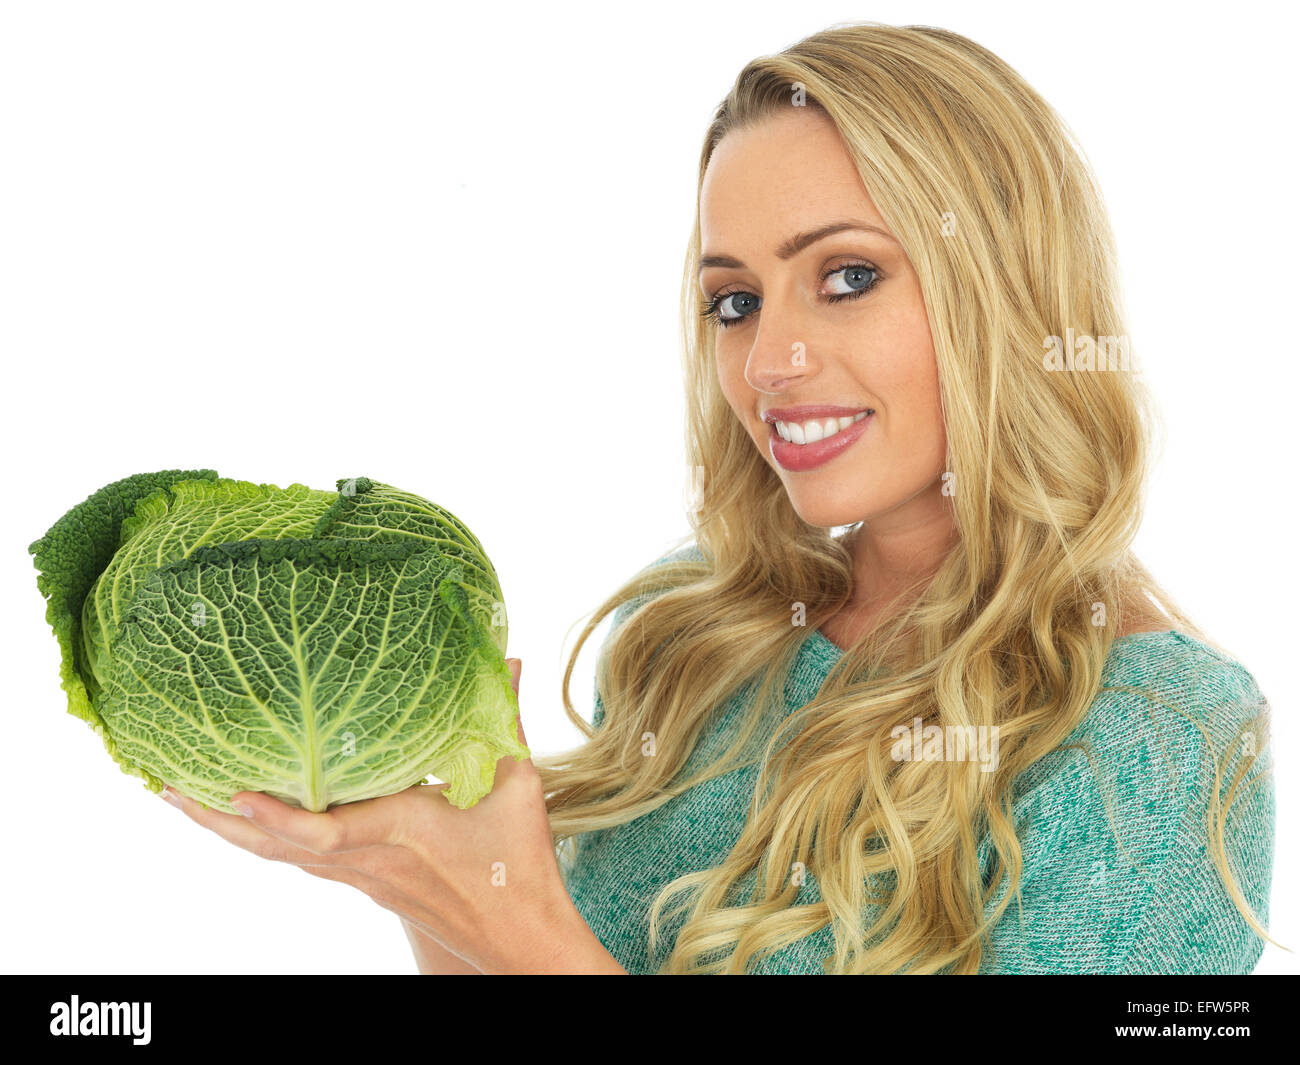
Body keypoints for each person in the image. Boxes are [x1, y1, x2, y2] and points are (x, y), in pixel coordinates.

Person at [168, 22, 1275, 975]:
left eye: (846, 277)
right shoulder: (692, 629)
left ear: (1003, 284)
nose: (768, 362)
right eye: (735, 300)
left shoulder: (1157, 747)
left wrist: (523, 934)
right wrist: (427, 882)